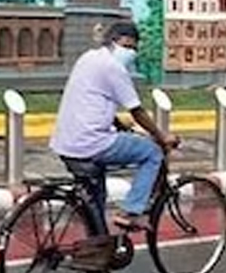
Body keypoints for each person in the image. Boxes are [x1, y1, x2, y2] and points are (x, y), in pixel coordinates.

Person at [50, 21, 179, 232]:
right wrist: (161, 136)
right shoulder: (113, 67)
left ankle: (98, 243)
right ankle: (131, 212)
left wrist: (118, 124)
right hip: (92, 142)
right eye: (126, 46)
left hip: (65, 142)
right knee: (152, 153)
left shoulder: (88, 58)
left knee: (96, 199)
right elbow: (136, 111)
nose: (130, 52)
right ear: (112, 42)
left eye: (134, 49)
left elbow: (94, 100)